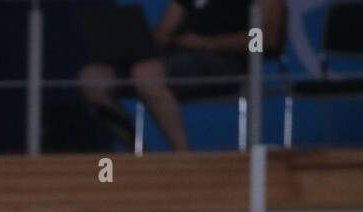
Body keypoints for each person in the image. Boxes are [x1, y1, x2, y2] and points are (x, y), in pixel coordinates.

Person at [78, 0, 287, 151]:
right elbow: (165, 30)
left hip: (227, 61)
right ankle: (137, 152)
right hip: (175, 57)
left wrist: (208, 44)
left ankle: (182, 156)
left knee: (146, 74)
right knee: (93, 79)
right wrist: (139, 41)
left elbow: (266, 39)